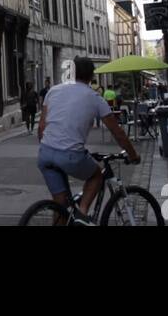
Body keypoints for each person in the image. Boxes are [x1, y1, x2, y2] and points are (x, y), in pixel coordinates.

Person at [37, 57, 140, 225]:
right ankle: (82, 215)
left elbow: (41, 127)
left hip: (45, 153)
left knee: (60, 204)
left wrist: (48, 147)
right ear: (91, 76)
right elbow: (117, 132)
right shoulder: (94, 97)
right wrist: (133, 154)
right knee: (96, 176)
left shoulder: (53, 91)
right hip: (70, 154)